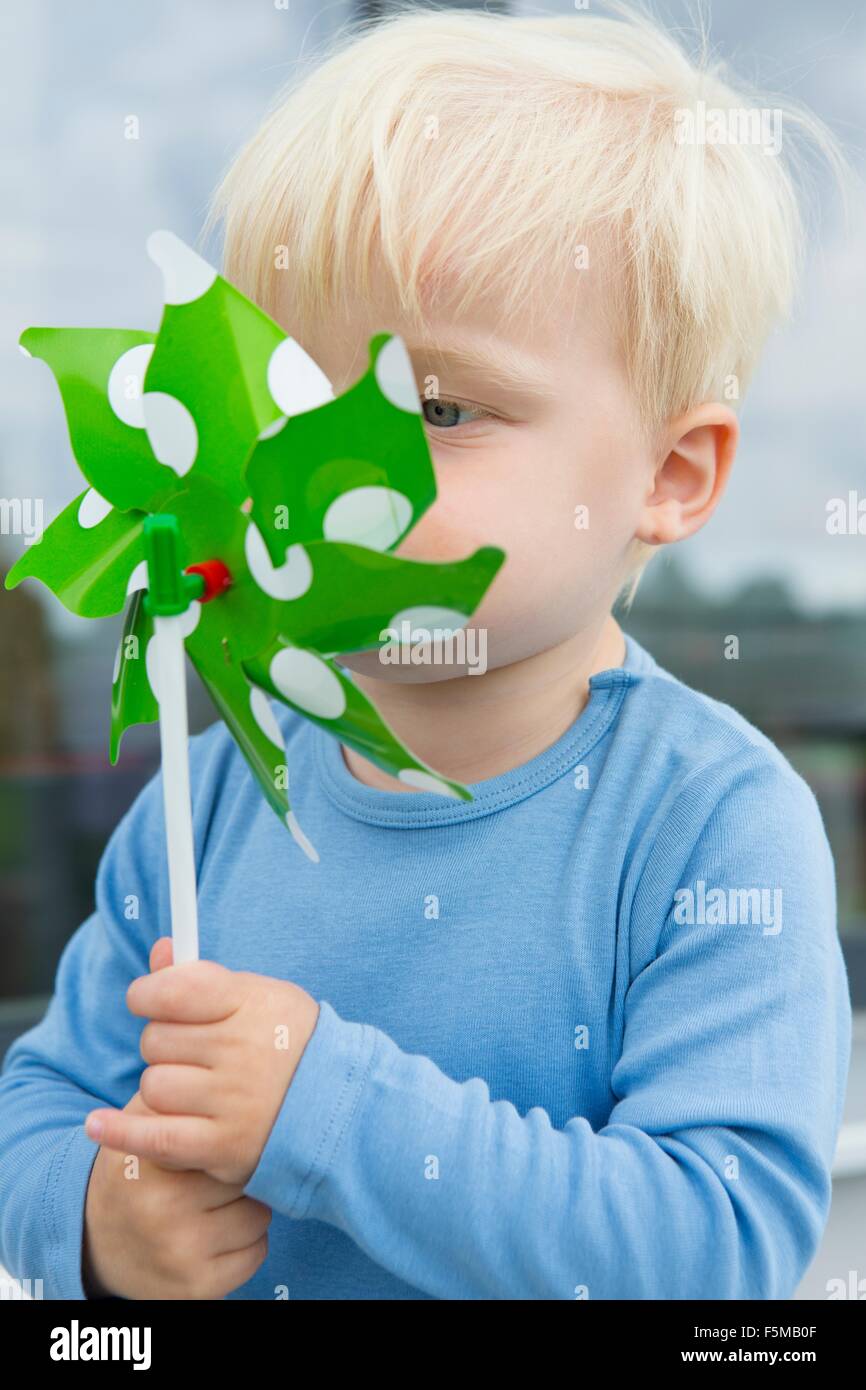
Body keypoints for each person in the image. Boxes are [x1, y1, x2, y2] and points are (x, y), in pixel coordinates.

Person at [0, 3, 852, 1300]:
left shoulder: (710, 823)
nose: (332, 465)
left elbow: (714, 1247)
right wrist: (98, 1225)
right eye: (291, 394)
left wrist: (321, 1106)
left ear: (669, 475)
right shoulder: (209, 800)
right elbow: (38, 1107)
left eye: (437, 406)